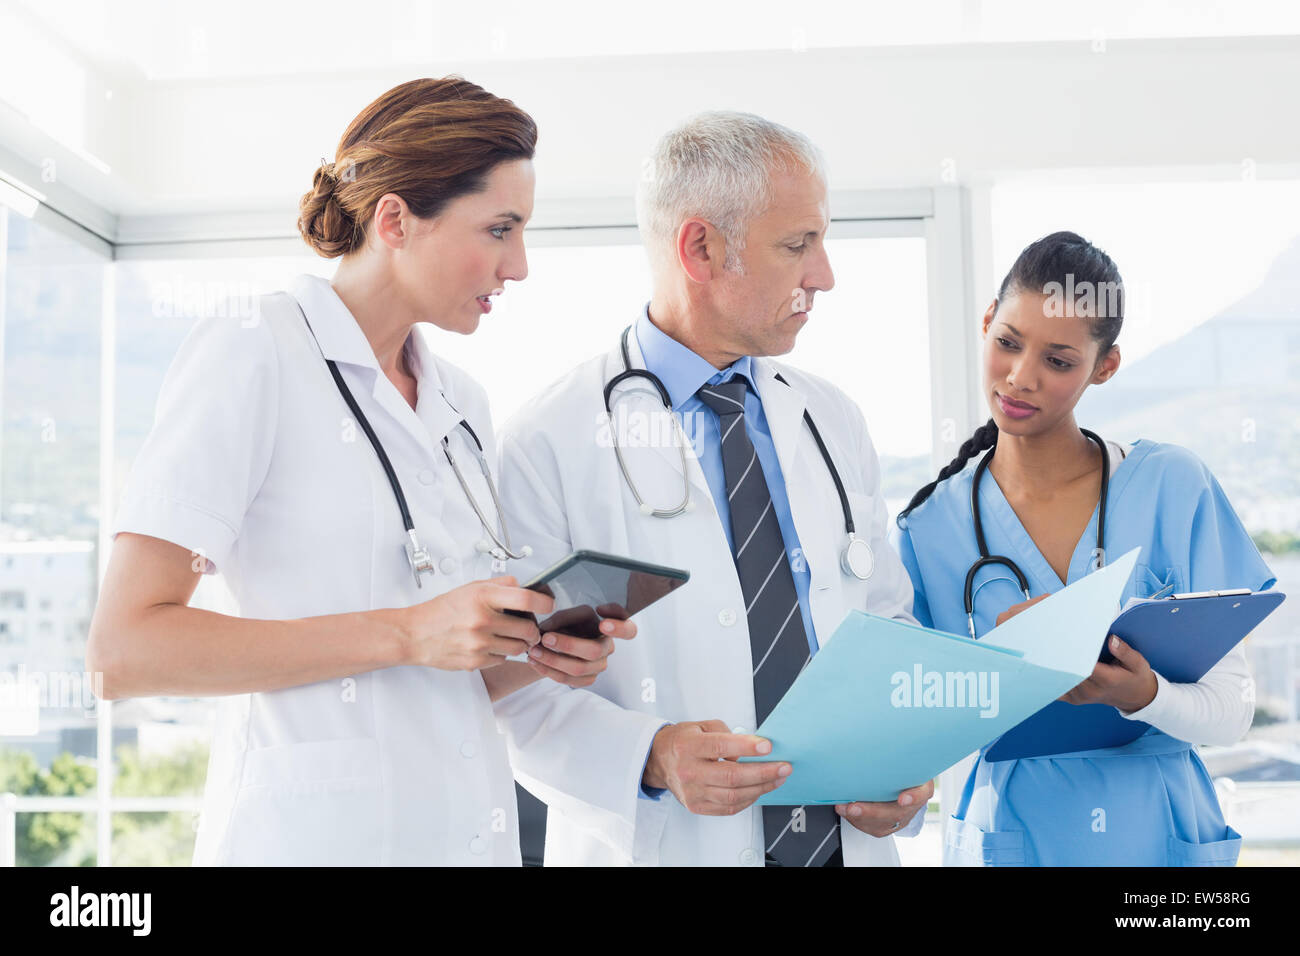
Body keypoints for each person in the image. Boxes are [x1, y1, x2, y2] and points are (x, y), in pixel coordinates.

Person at [86, 76, 634, 866]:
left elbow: (440, 677)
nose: (518, 266)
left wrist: (528, 656)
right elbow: (123, 653)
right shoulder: (255, 349)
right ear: (394, 220)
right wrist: (410, 632)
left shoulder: (463, 405)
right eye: (500, 229)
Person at [490, 111, 932, 867]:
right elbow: (518, 687)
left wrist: (903, 756)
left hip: (843, 847)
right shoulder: (547, 438)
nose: (823, 275)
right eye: (798, 245)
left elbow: (883, 618)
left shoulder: (831, 418)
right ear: (699, 247)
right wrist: (652, 756)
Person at [892, 230, 1274, 866]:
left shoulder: (1172, 487)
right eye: (1008, 343)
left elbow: (1234, 711)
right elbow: (918, 731)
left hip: (1162, 838)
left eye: (1059, 361)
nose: (1020, 378)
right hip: (1011, 838)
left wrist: (1142, 695)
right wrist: (999, 674)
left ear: (1105, 366)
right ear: (987, 322)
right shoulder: (929, 528)